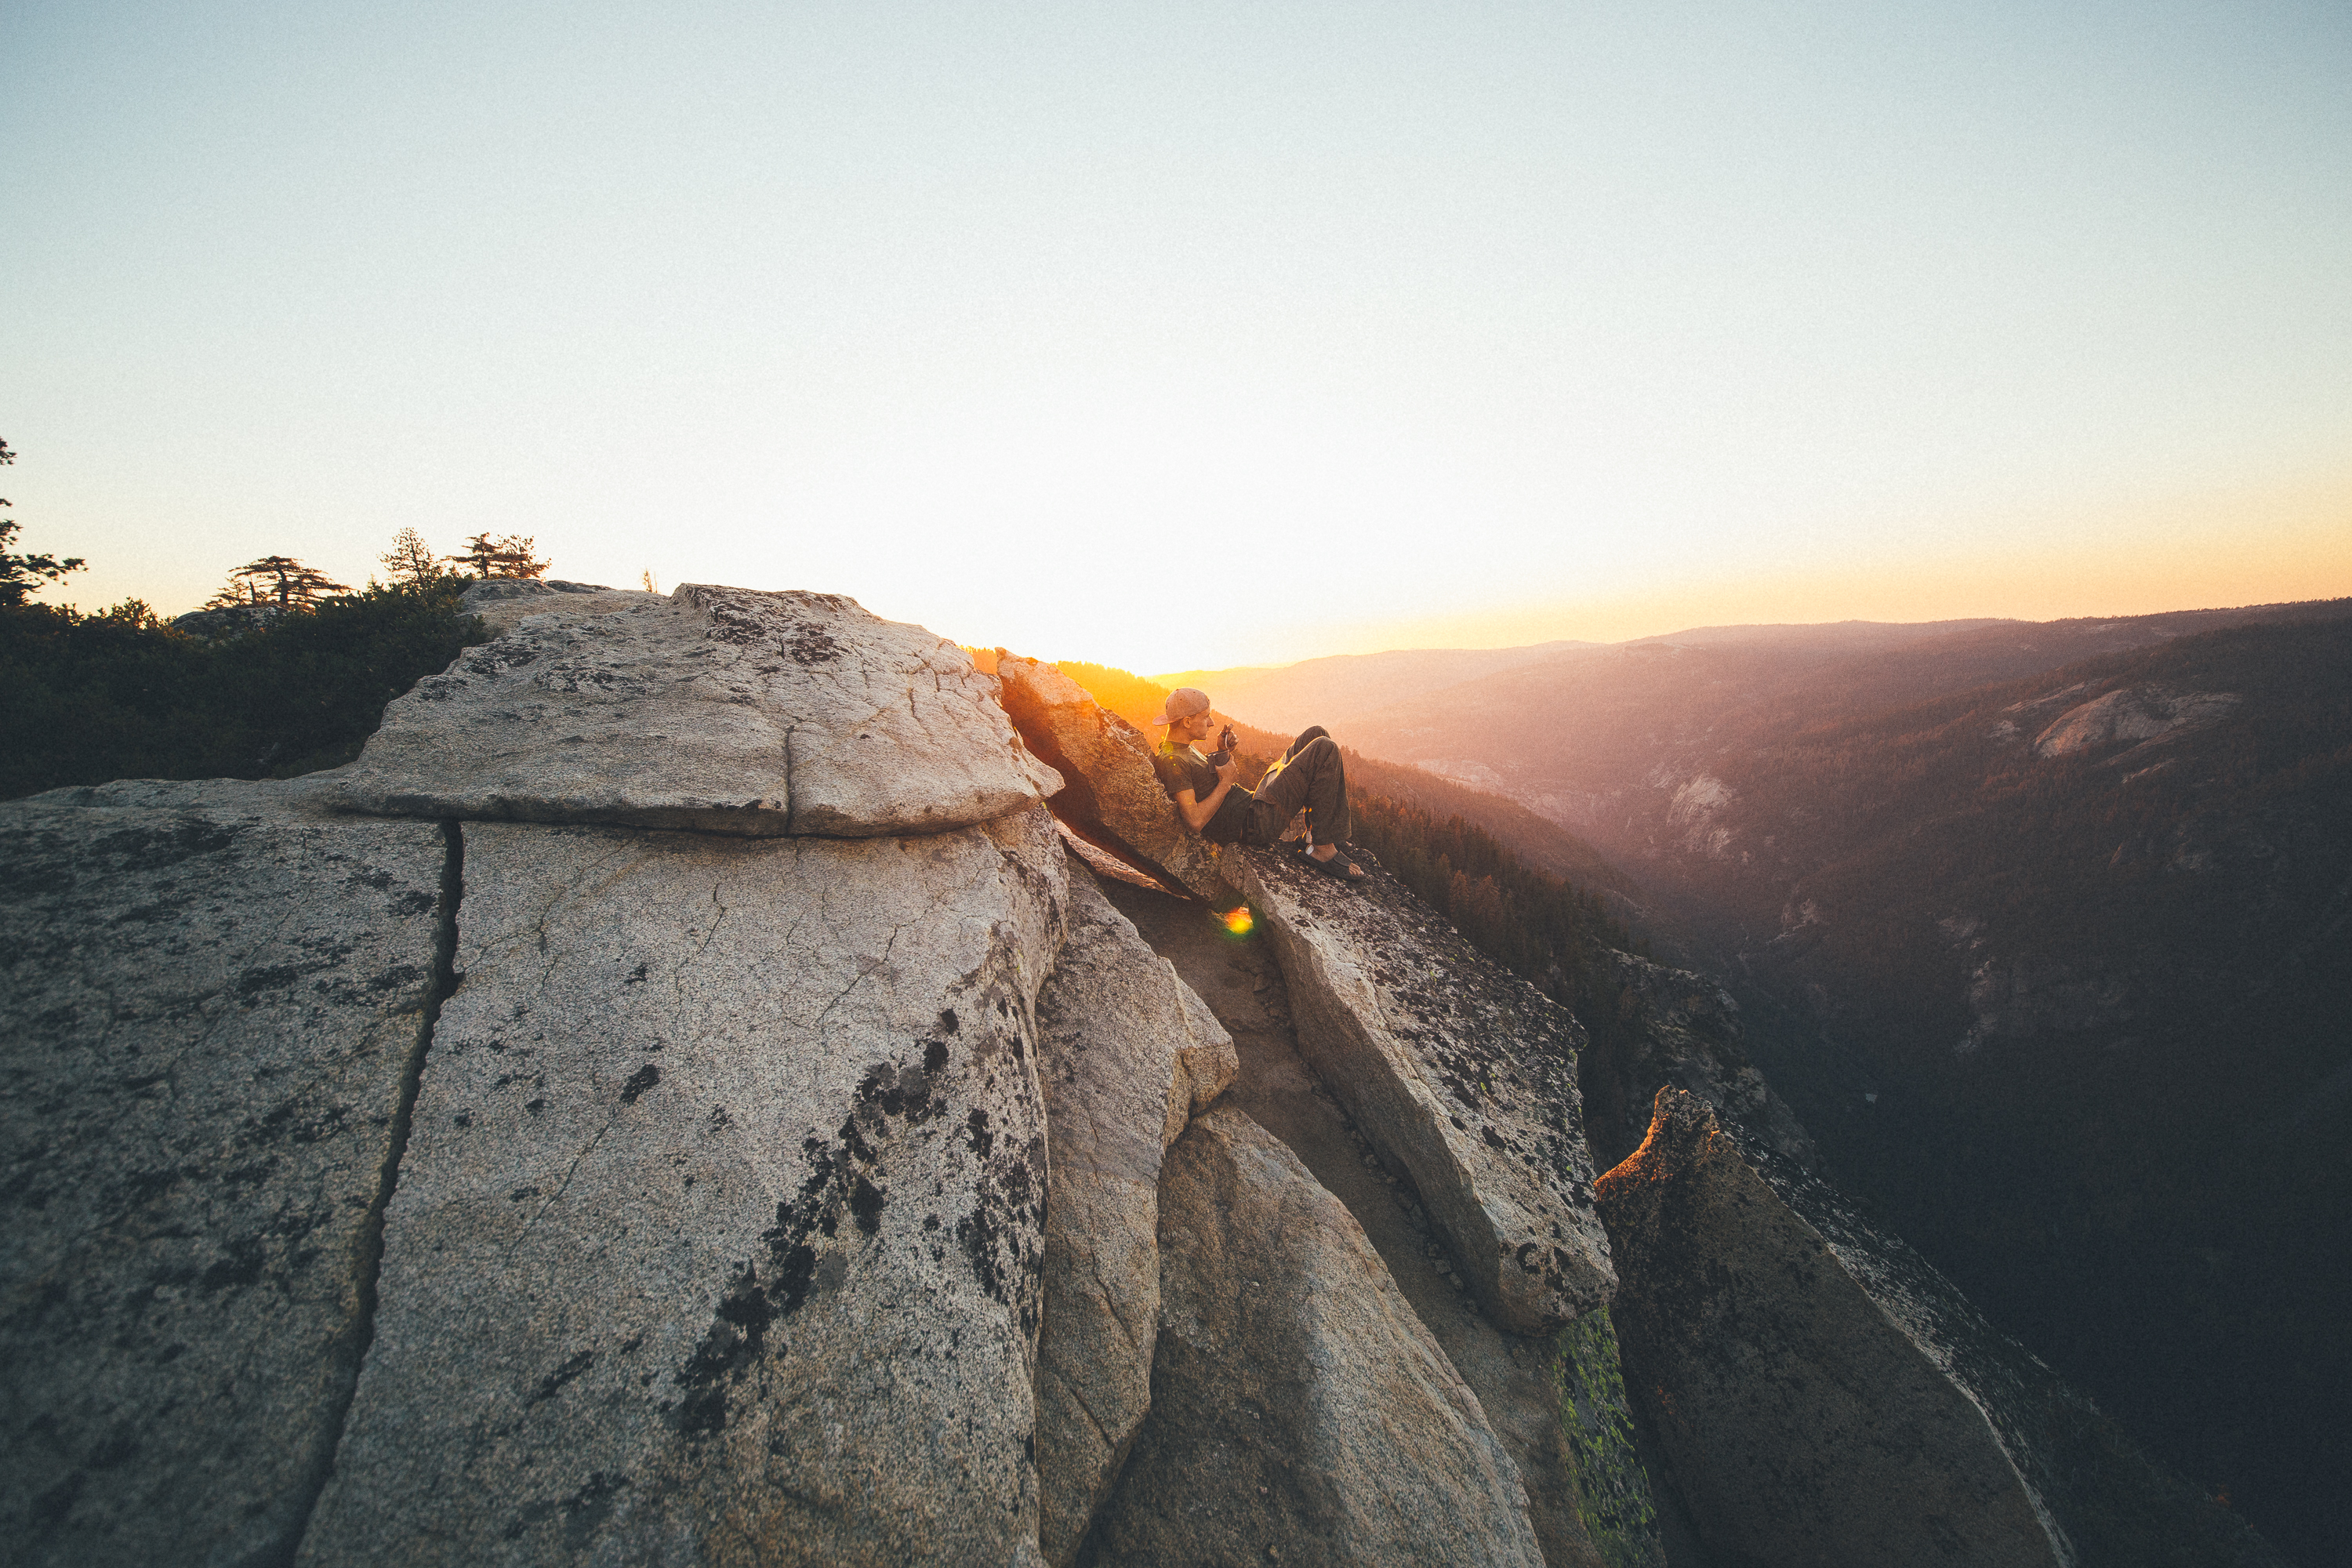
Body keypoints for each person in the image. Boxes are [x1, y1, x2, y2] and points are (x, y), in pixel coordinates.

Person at [1148, 688, 1366, 883]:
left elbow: (1203, 779)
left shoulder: (1182, 748)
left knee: (1316, 734)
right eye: (1206, 717)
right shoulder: (1170, 760)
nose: (1211, 722)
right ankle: (1322, 849)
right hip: (1254, 823)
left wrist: (1223, 751)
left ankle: (1311, 837)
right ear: (1186, 722)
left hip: (1253, 803)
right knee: (1324, 749)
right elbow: (1194, 822)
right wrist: (1226, 782)